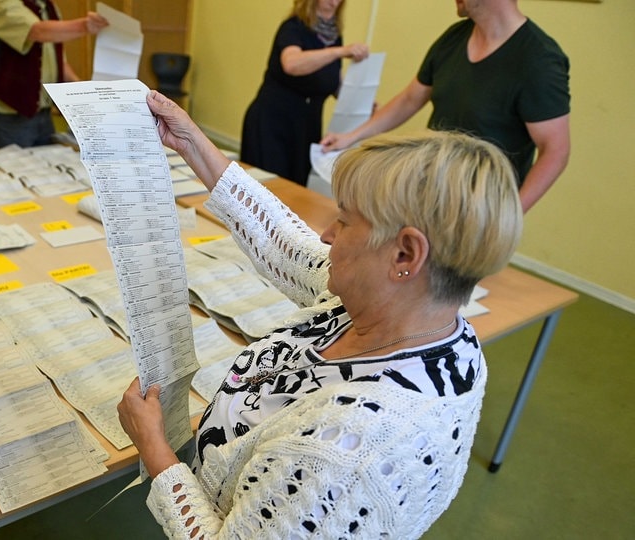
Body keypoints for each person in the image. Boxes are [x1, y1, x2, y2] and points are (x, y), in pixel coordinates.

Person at [118, 90, 523, 538]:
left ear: (405, 253)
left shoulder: (351, 448)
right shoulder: (411, 313)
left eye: (345, 221)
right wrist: (191, 141)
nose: (327, 234)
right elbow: (288, 246)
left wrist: (156, 451)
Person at [320, 0, 570, 212]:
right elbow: (410, 99)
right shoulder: (454, 38)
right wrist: (350, 137)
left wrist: (511, 214)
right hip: (431, 191)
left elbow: (555, 151)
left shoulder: (539, 59)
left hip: (481, 208)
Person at [241, 0, 368, 186]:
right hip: (273, 125)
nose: (334, 2)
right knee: (266, 189)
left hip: (306, 130)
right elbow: (292, 64)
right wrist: (339, 52)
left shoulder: (334, 36)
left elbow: (333, 83)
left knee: (296, 192)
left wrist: (364, 102)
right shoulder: (293, 28)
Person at [0, 0, 108, 149]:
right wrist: (85, 26)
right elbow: (37, 31)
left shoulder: (48, 7)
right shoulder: (4, 4)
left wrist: (80, 89)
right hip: (11, 116)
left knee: (46, 165)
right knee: (18, 169)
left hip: (43, 113)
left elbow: (57, 60)